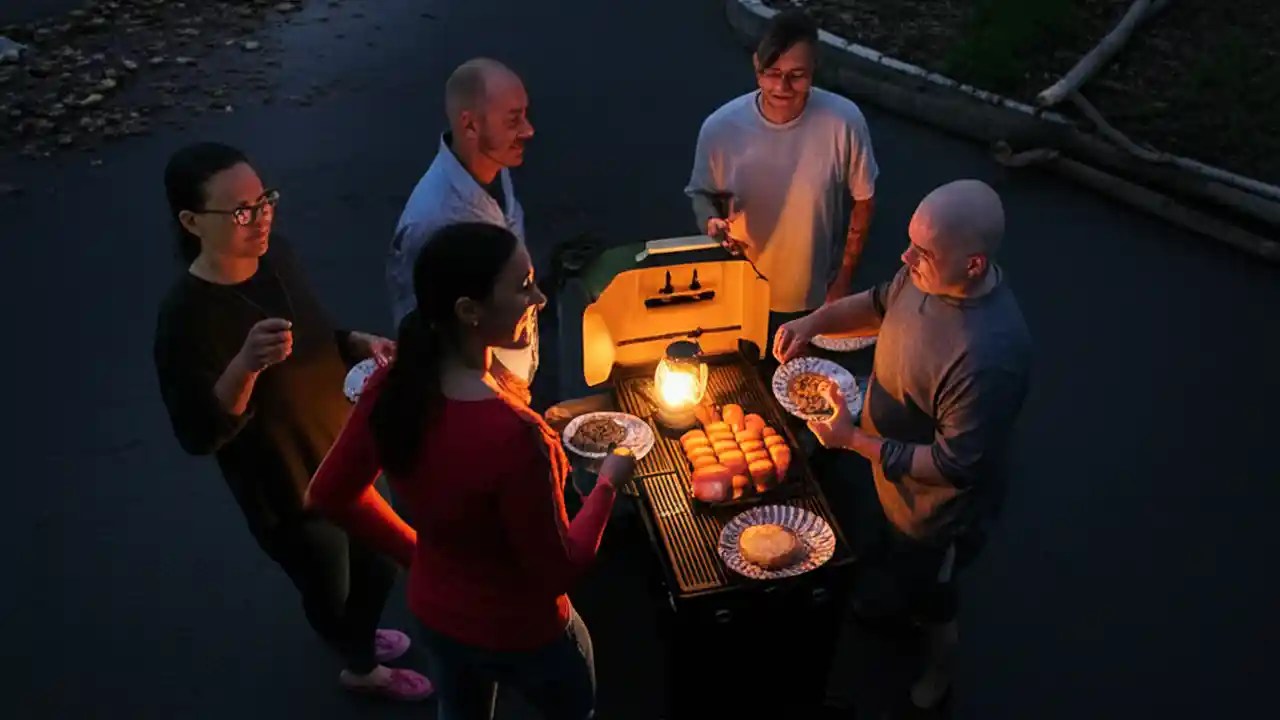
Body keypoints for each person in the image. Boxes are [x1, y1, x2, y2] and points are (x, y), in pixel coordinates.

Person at [307, 222, 636, 720]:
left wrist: (418, 553)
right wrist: (610, 480)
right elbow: (558, 570)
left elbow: (330, 493)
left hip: (436, 613)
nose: (540, 298)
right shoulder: (517, 438)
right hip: (527, 630)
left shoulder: (394, 383)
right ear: (469, 311)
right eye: (524, 285)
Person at [153, 142, 432, 701]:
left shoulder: (277, 256)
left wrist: (355, 343)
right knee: (332, 587)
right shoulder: (185, 317)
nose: (261, 220)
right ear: (191, 221)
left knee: (380, 566)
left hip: (346, 456)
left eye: (265, 200)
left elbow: (317, 335)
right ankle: (359, 666)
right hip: (289, 495)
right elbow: (198, 433)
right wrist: (243, 366)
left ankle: (360, 635)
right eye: (240, 211)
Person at [775, 180, 1032, 711]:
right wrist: (815, 321)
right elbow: (879, 303)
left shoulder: (988, 356)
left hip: (935, 513)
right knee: (886, 551)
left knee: (932, 594)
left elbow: (952, 465)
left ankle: (939, 673)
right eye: (910, 242)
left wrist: (852, 439)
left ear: (974, 266)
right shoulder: (924, 276)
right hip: (885, 468)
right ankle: (894, 602)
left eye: (923, 252)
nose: (905, 257)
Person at [685, 9, 879, 349]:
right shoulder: (719, 129)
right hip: (741, 292)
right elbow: (701, 193)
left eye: (796, 75)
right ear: (756, 66)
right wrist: (710, 223)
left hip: (816, 295)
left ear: (814, 68)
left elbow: (864, 200)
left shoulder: (844, 123)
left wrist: (844, 278)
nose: (782, 87)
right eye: (772, 73)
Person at [387, 58, 539, 393]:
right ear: (469, 126)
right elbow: (422, 336)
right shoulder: (432, 223)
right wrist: (498, 389)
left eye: (525, 116)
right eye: (514, 120)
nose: (528, 131)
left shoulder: (496, 170)